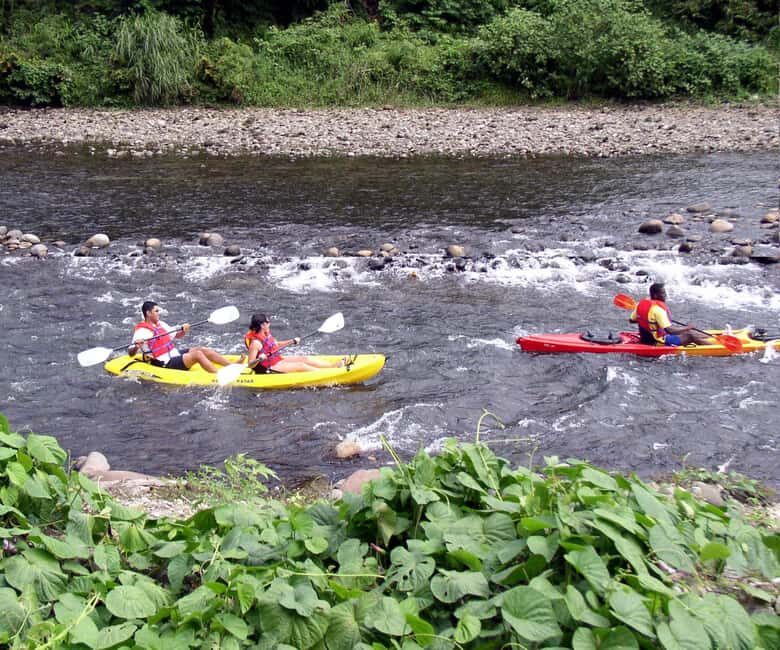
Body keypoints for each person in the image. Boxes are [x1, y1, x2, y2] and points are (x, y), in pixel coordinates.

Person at [128, 301, 236, 373]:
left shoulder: (161, 324)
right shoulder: (142, 331)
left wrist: (184, 331)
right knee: (197, 354)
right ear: (148, 313)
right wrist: (137, 346)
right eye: (156, 311)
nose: (158, 313)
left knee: (202, 349)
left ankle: (231, 366)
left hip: (173, 354)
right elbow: (131, 353)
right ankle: (218, 375)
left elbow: (177, 335)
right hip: (163, 362)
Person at [244, 313, 346, 373]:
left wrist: (292, 341)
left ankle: (332, 366)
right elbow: (250, 365)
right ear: (262, 325)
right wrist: (259, 359)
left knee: (304, 359)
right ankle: (328, 374)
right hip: (269, 367)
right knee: (301, 365)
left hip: (276, 360)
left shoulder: (265, 334)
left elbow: (275, 345)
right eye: (268, 322)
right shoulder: (255, 343)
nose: (269, 323)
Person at [630, 283, 711, 346]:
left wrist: (649, 321)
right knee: (690, 335)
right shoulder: (658, 309)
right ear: (655, 295)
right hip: (657, 342)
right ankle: (715, 348)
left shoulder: (640, 304)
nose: (665, 295)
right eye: (663, 293)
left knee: (688, 331)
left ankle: (710, 337)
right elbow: (671, 331)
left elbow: (631, 320)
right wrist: (687, 327)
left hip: (645, 339)